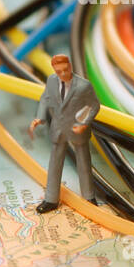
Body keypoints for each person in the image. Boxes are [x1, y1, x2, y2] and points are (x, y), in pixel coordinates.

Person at [29, 54, 102, 213]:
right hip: (58, 128)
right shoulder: (51, 81)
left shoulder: (83, 86)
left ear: (70, 66)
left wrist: (83, 123)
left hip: (77, 129)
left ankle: (89, 197)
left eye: (65, 70)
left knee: (83, 164)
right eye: (59, 71)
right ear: (54, 70)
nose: (63, 74)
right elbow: (45, 98)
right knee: (54, 165)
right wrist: (39, 117)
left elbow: (94, 106)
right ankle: (51, 199)